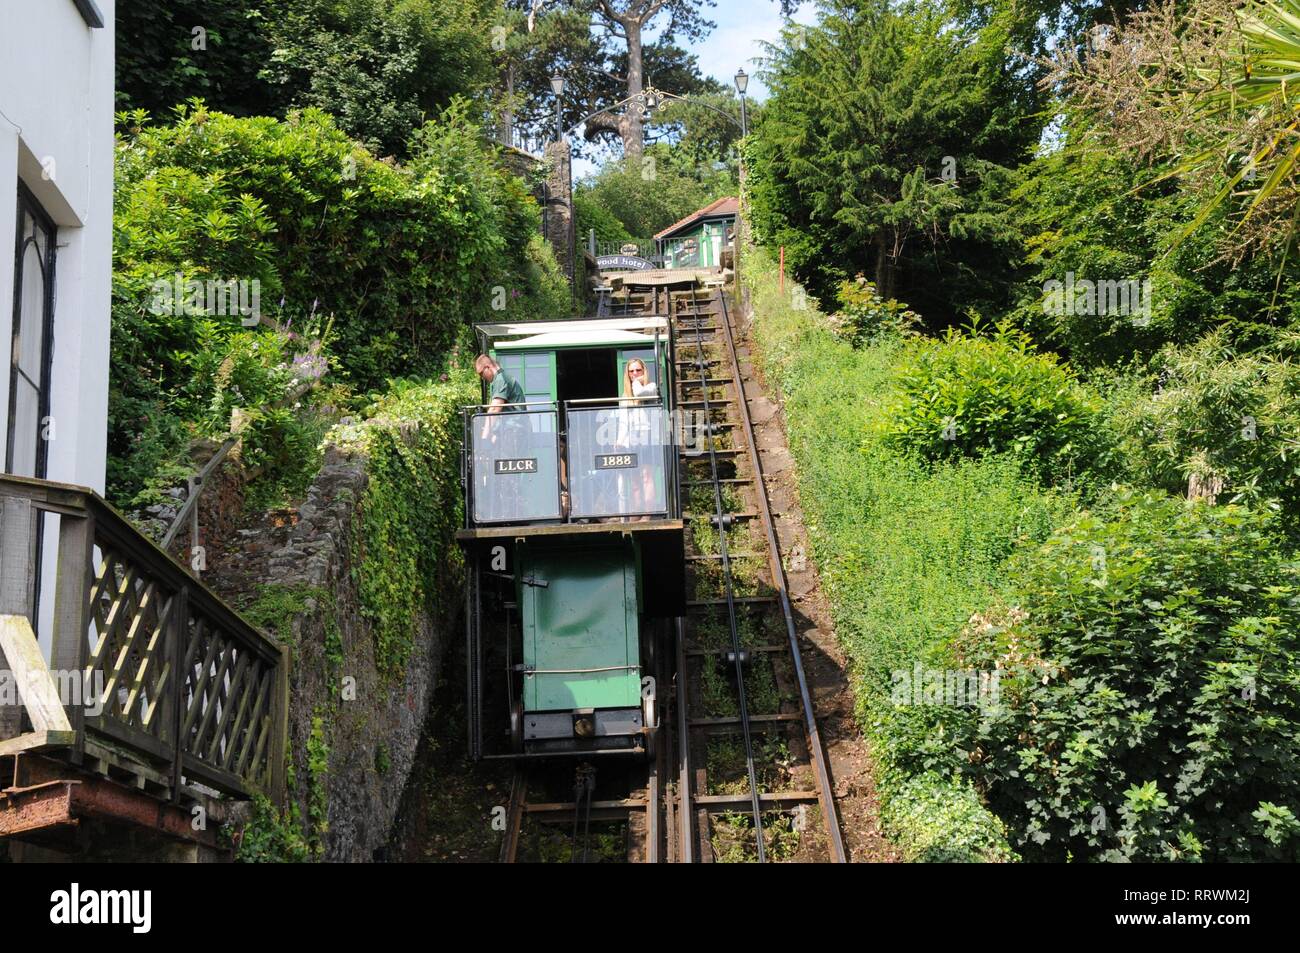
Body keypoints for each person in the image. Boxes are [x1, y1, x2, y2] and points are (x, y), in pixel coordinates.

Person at [617, 359, 659, 520]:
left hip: (646, 436)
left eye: (638, 370)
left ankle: (648, 513)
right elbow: (623, 421)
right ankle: (636, 513)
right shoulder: (625, 395)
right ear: (627, 374)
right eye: (631, 371)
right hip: (631, 439)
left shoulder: (651, 387)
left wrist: (636, 382)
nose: (635, 374)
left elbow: (640, 394)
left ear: (644, 371)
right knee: (634, 479)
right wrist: (620, 441)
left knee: (646, 476)